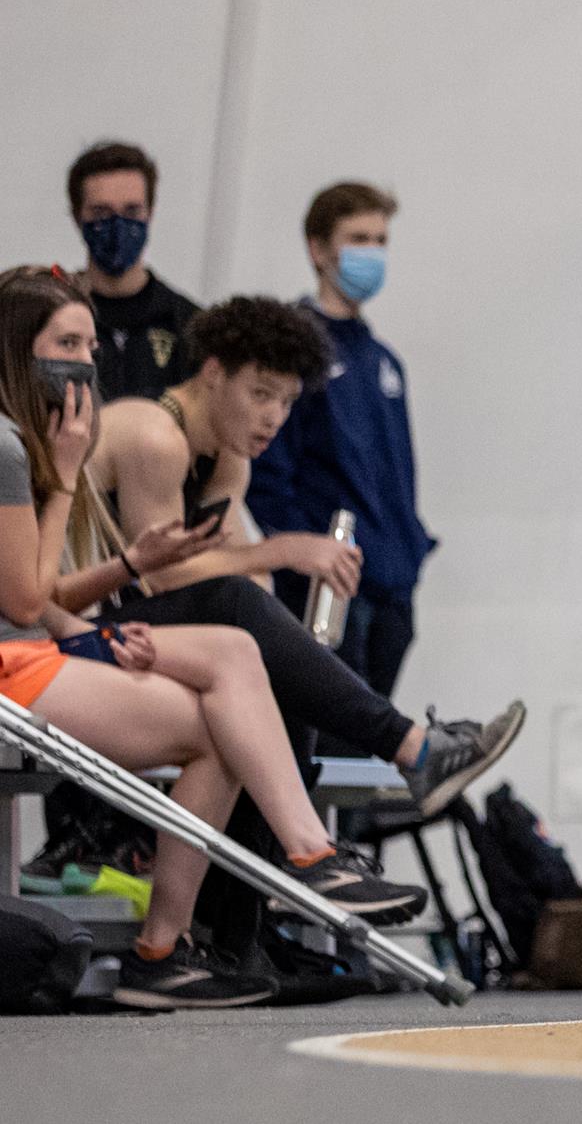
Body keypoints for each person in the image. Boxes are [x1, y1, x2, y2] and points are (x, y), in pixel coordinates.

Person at [0, 268, 427, 1007]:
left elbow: (40, 601)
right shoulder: (18, 447)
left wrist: (100, 623)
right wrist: (72, 478)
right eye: (67, 343)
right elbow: (23, 597)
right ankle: (286, 867)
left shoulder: (29, 442)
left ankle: (202, 929)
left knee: (237, 671)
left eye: (92, 344)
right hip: (14, 666)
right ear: (17, 348)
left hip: (38, 644)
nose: (88, 362)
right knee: (228, 675)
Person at [77, 291, 524, 813]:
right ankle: (412, 748)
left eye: (286, 402)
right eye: (261, 394)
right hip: (66, 625)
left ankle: (283, 861)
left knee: (274, 653)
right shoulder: (156, 436)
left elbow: (239, 576)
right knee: (244, 610)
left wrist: (288, 635)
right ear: (214, 373)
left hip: (128, 628)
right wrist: (284, 550)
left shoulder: (229, 459)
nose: (273, 418)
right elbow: (164, 579)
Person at [247, 182, 434, 721]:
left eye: (380, 239)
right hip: (328, 592)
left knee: (372, 750)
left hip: (391, 590)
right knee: (326, 746)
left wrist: (411, 552)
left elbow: (397, 480)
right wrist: (308, 556)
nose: (371, 252)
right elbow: (267, 475)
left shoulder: (382, 360)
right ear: (318, 248)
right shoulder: (292, 349)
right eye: (358, 238)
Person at [66, 141, 201, 402]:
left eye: (131, 211)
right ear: (77, 216)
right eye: (101, 212)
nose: (118, 226)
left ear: (150, 213)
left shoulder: (189, 324)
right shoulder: (52, 318)